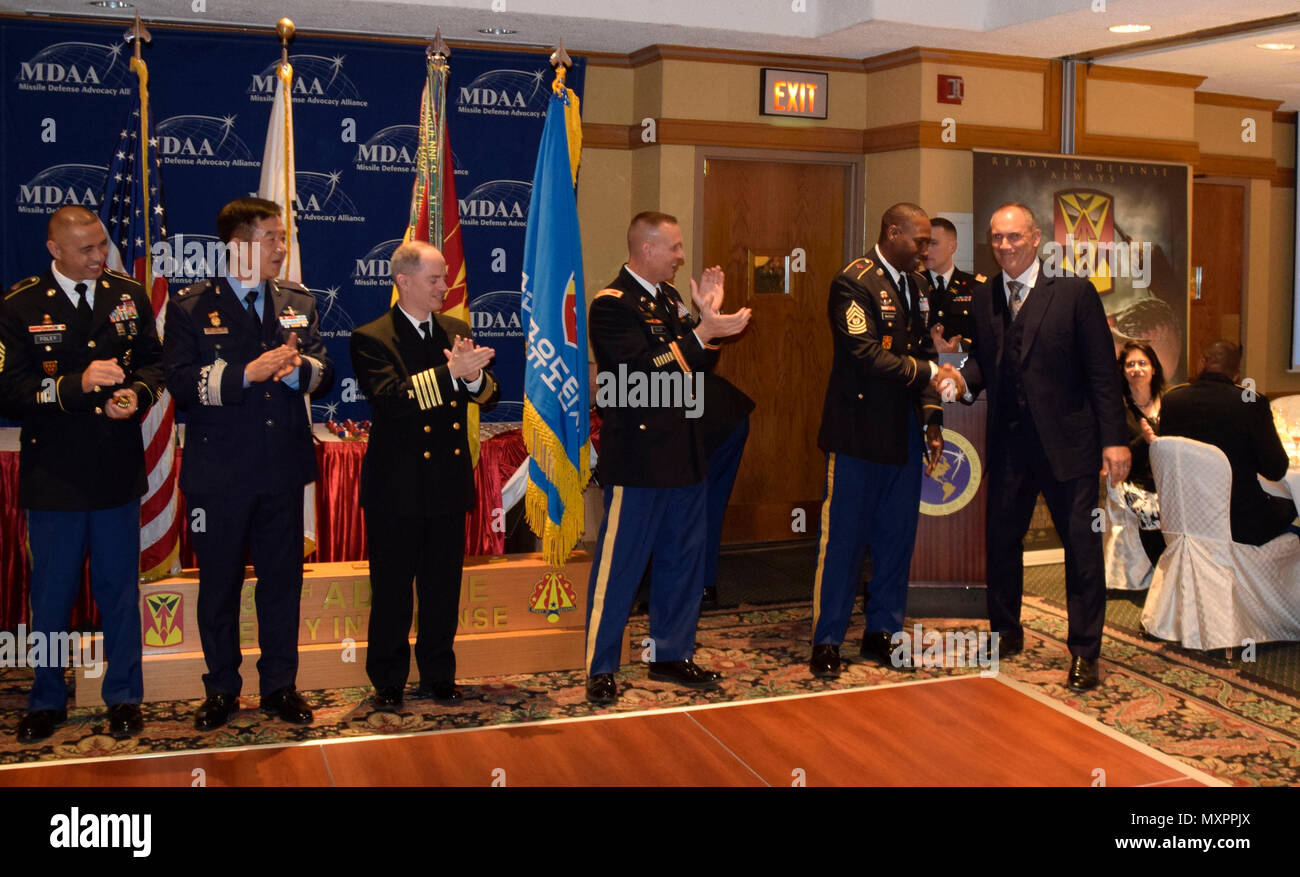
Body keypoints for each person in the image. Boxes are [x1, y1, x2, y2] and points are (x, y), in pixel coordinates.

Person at [935, 202, 1130, 691]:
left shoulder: (1073, 294)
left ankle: (1085, 651)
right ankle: (1005, 632)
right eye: (997, 239)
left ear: (1037, 238)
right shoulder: (985, 297)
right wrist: (963, 377)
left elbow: (1103, 374)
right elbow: (989, 360)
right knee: (1001, 542)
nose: (1004, 247)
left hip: (1070, 448)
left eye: (1014, 238)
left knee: (1081, 551)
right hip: (1007, 445)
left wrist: (1114, 440)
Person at [164, 197, 333, 730]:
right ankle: (221, 689)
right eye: (271, 239)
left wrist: (296, 369)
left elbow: (324, 370)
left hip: (281, 466)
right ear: (237, 247)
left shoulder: (297, 301)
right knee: (220, 584)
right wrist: (247, 373)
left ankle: (280, 685)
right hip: (220, 474)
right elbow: (180, 384)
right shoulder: (191, 306)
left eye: (283, 238)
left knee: (281, 583)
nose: (282, 249)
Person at [0, 205, 164, 743]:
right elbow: (10, 392)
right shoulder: (20, 306)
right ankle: (46, 699)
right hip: (56, 477)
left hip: (115, 471)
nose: (100, 256)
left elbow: (152, 363)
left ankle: (123, 698)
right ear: (56, 251)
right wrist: (78, 383)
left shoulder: (127, 294)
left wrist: (133, 395)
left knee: (119, 592)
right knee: (51, 597)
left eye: (101, 245)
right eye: (86, 249)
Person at [584, 211, 751, 705]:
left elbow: (696, 364)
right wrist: (701, 333)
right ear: (647, 249)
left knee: (682, 561)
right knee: (620, 567)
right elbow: (639, 369)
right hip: (638, 456)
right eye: (674, 248)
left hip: (684, 450)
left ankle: (670, 653)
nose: (682, 257)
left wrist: (707, 323)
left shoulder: (673, 300)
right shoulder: (611, 304)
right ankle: (601, 665)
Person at [350, 240, 499, 710]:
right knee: (393, 591)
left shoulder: (454, 329)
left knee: (442, 590)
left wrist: (472, 378)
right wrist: (451, 372)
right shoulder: (372, 337)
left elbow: (487, 395)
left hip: (446, 485)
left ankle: (439, 673)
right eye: (434, 278)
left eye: (445, 276)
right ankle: (388, 679)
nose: (444, 286)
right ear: (404, 282)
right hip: (397, 486)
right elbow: (392, 401)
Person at [811, 202, 944, 679]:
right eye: (920, 241)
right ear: (893, 233)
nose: (926, 250)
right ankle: (827, 638)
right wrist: (928, 371)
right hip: (858, 433)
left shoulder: (918, 283)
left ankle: (882, 633)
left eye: (928, 242)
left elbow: (923, 348)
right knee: (845, 542)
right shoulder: (854, 281)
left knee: (895, 540)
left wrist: (931, 419)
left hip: (902, 433)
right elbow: (866, 354)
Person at [1160, 340, 1298, 545]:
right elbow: (1275, 470)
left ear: (1201, 362)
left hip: (1185, 516)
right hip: (1239, 523)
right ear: (1236, 374)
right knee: (1293, 505)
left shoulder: (1172, 401)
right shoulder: (1251, 403)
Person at [1117, 341, 1166, 566]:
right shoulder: (1119, 408)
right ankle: (1162, 570)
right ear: (1124, 371)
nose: (1137, 369)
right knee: (1149, 510)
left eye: (1142, 363)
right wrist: (1143, 440)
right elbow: (1118, 453)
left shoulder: (1169, 402)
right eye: (1130, 364)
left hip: (1169, 479)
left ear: (1153, 368)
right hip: (1135, 481)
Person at [923, 216, 982, 352]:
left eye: (933, 243)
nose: (926, 250)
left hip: (962, 367)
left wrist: (960, 347)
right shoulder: (913, 283)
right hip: (924, 367)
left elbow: (984, 336)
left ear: (952, 247)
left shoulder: (975, 287)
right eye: (924, 244)